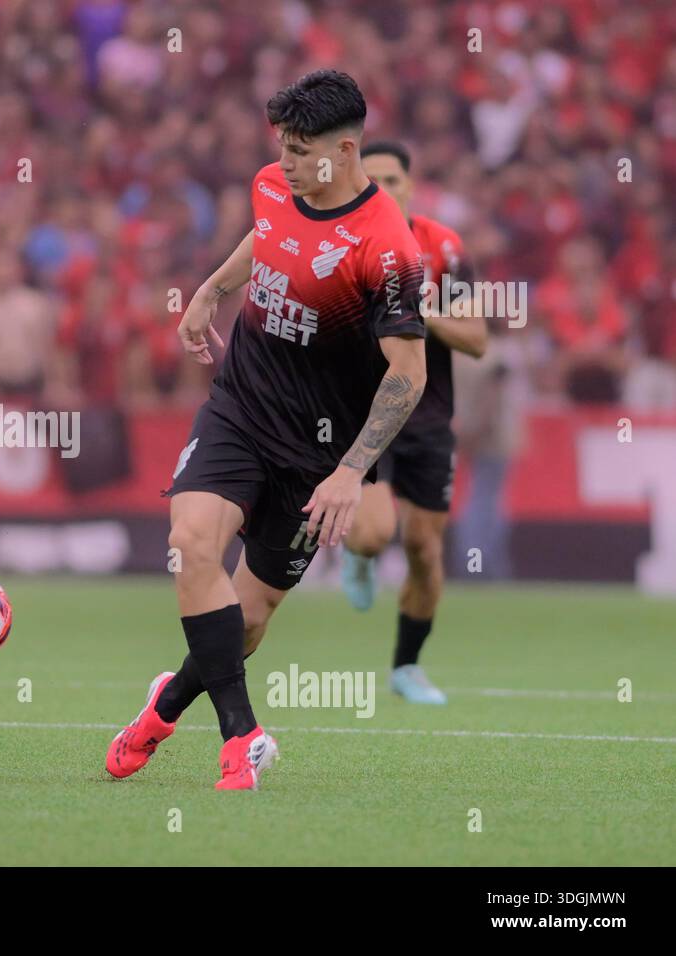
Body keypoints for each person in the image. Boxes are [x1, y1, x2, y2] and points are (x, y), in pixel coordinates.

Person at [105, 71, 427, 791]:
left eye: (300, 149)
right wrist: (214, 289)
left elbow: (409, 373)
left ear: (345, 152)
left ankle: (161, 711)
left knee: (244, 624)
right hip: (239, 410)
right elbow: (270, 235)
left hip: (316, 454)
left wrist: (350, 471)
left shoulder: (389, 249)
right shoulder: (274, 184)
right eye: (280, 145)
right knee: (190, 546)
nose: (283, 162)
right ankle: (241, 738)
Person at [339, 141, 488, 705]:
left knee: (426, 549)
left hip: (427, 418)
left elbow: (476, 339)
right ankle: (359, 554)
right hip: (366, 414)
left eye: (392, 179)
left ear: (409, 184)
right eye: (370, 179)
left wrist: (416, 310)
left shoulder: (443, 248)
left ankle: (406, 667)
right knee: (377, 533)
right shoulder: (344, 245)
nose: (382, 188)